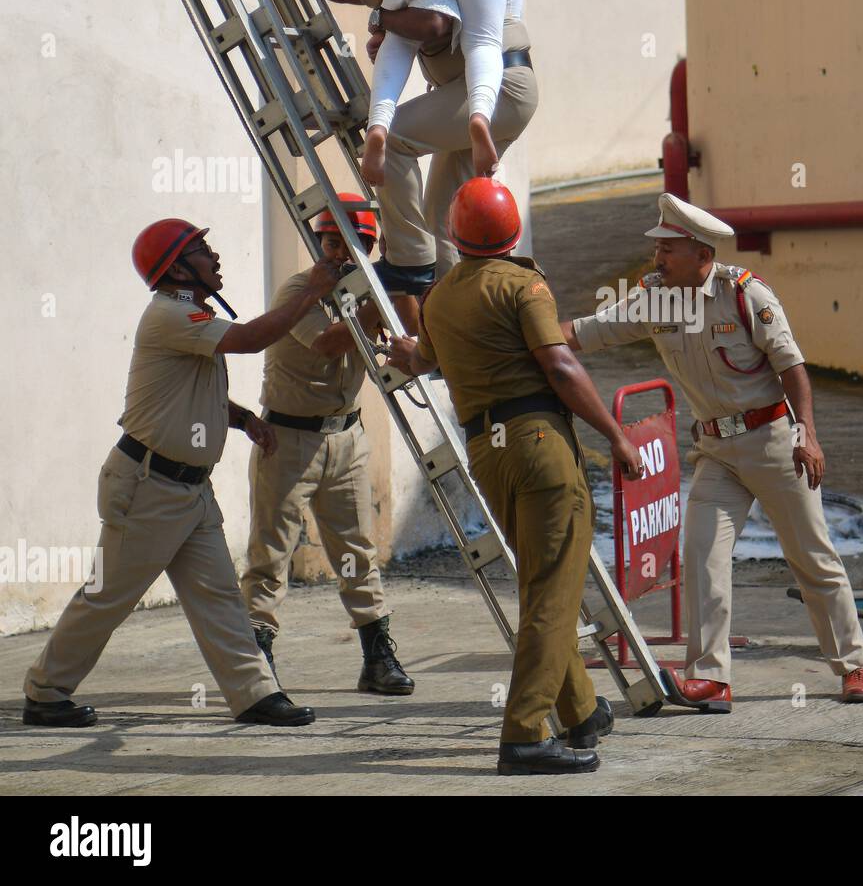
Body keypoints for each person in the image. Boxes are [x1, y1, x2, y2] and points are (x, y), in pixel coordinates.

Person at [560, 193, 863, 710]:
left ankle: (854, 667)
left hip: (775, 443)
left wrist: (808, 435)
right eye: (658, 247)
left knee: (812, 557)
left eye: (669, 248)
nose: (658, 258)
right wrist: (526, 332)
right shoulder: (654, 298)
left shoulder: (745, 295)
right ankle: (711, 678)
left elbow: (791, 367)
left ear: (701, 255)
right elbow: (585, 333)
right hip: (717, 452)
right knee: (703, 555)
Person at [23, 219, 339, 727]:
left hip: (187, 488)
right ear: (174, 267)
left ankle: (255, 694)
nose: (215, 258)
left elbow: (189, 392)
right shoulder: (168, 316)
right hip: (148, 487)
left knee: (219, 597)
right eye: (202, 250)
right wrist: (312, 293)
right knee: (107, 598)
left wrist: (241, 418)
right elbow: (253, 339)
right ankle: (44, 692)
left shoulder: (190, 316)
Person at [387, 178, 644, 775]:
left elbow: (423, 359)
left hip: (488, 453)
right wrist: (615, 433)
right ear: (513, 233)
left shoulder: (441, 298)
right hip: (538, 445)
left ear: (454, 234)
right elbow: (558, 363)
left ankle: (580, 711)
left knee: (540, 586)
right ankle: (525, 734)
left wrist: (405, 353)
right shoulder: (523, 285)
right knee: (554, 593)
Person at [246, 0, 536, 333]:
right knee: (445, 217)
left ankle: (409, 263)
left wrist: (385, 21)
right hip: (490, 94)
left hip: (497, 89)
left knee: (395, 139)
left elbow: (434, 23)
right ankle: (458, 329)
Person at [241, 194, 413, 693]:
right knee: (270, 555)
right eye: (328, 241)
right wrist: (383, 310)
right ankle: (255, 664)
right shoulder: (298, 291)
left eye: (347, 243)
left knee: (357, 552)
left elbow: (410, 332)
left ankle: (377, 657)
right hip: (289, 439)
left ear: (366, 248)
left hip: (346, 437)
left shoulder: (370, 294)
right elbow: (329, 341)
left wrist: (400, 293)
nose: (334, 252)